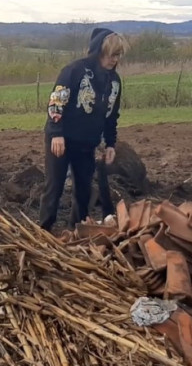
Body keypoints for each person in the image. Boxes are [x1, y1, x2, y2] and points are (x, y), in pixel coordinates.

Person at [39, 27, 129, 232]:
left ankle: (76, 231)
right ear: (100, 50)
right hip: (61, 140)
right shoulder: (74, 71)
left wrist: (110, 143)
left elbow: (111, 115)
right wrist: (56, 133)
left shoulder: (113, 82)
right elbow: (56, 102)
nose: (114, 60)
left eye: (117, 55)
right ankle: (44, 230)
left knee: (83, 192)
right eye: (111, 54)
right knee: (54, 188)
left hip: (87, 143)